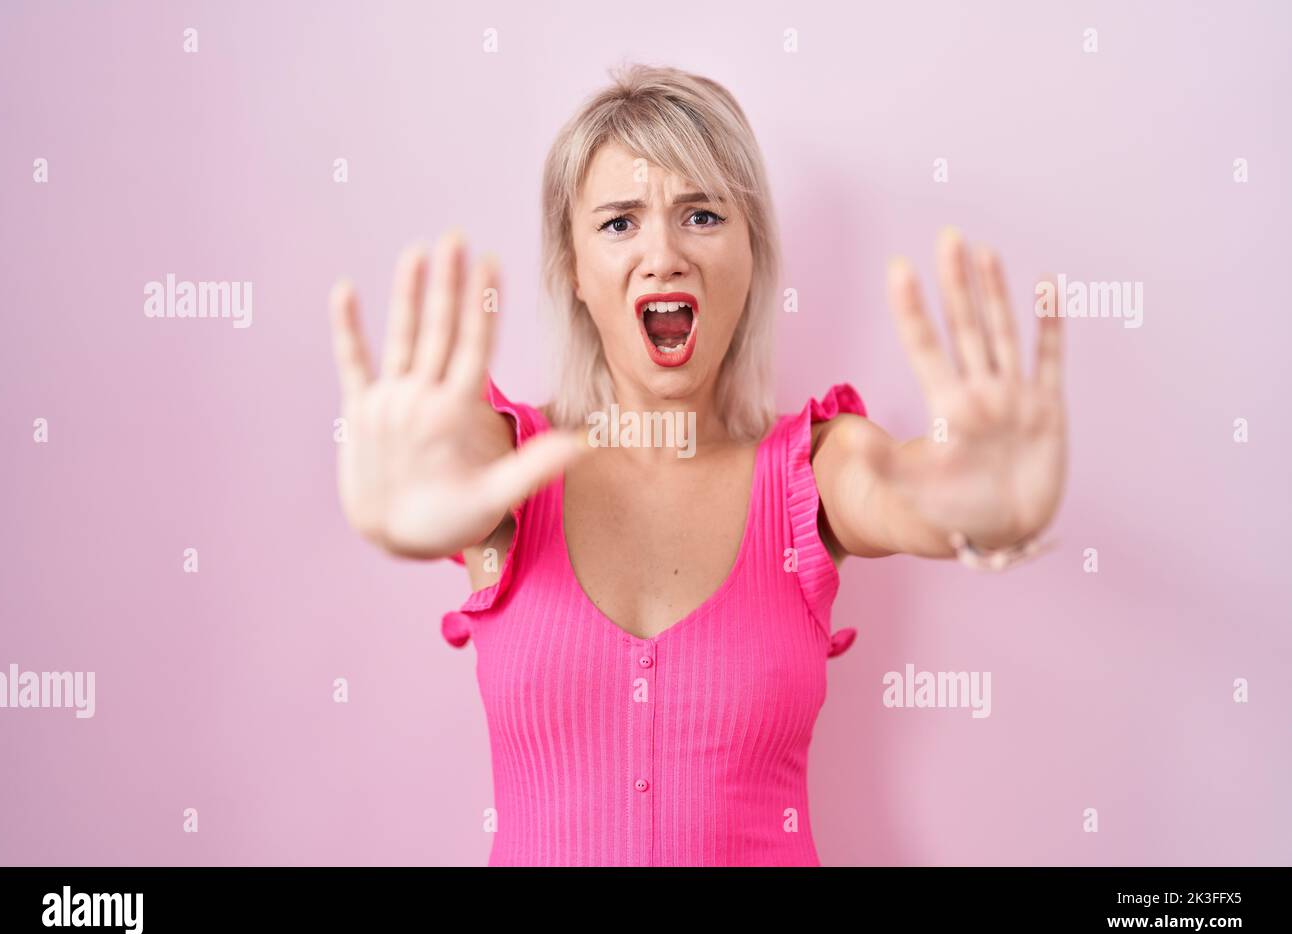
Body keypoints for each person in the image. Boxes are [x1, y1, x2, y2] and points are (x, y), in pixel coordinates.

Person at [327, 64, 1067, 865]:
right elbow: (448, 469)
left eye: (702, 215)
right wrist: (404, 491)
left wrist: (977, 505)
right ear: (574, 268)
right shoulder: (508, 468)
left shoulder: (812, 472)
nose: (664, 255)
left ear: (751, 259)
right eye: (618, 224)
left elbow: (904, 490)